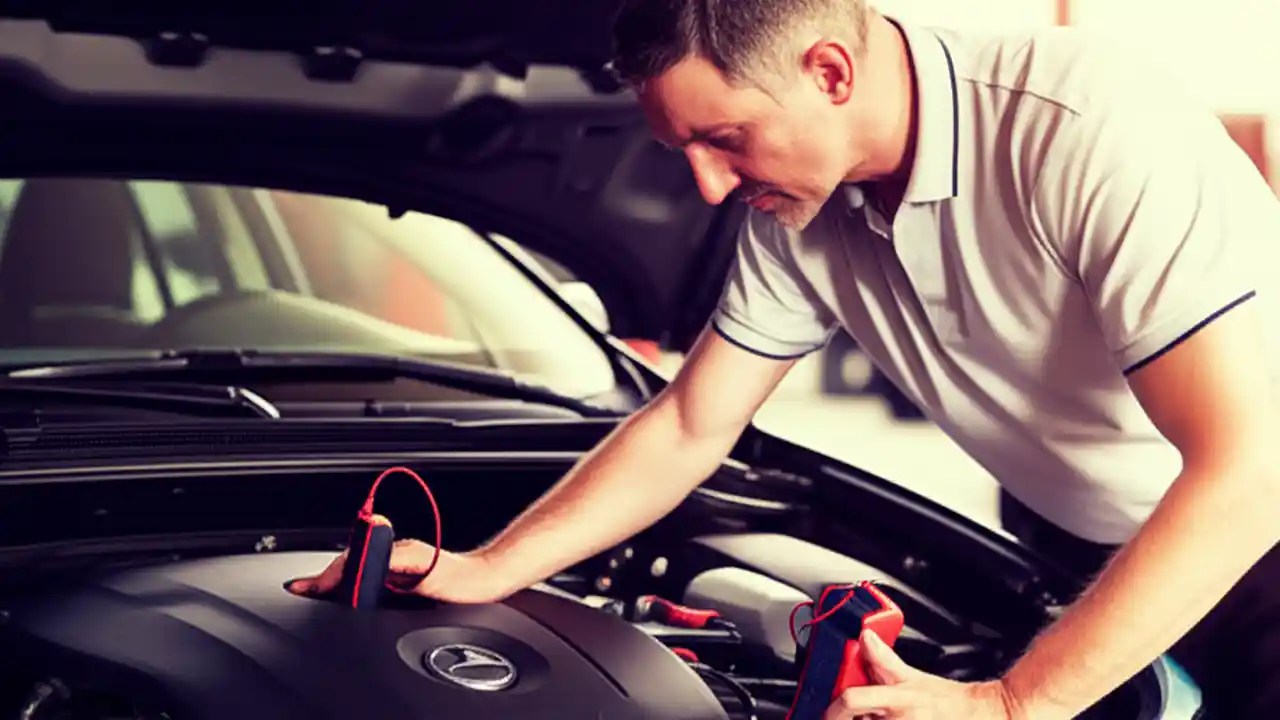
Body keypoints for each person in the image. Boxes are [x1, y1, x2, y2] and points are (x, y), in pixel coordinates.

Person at [290, 1, 1280, 716]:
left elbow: (1246, 477)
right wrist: (488, 568)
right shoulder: (801, 203)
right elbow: (689, 421)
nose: (708, 188)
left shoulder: (1080, 129)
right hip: (1075, 533)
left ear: (829, 74)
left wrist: (1012, 704)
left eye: (723, 140)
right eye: (684, 151)